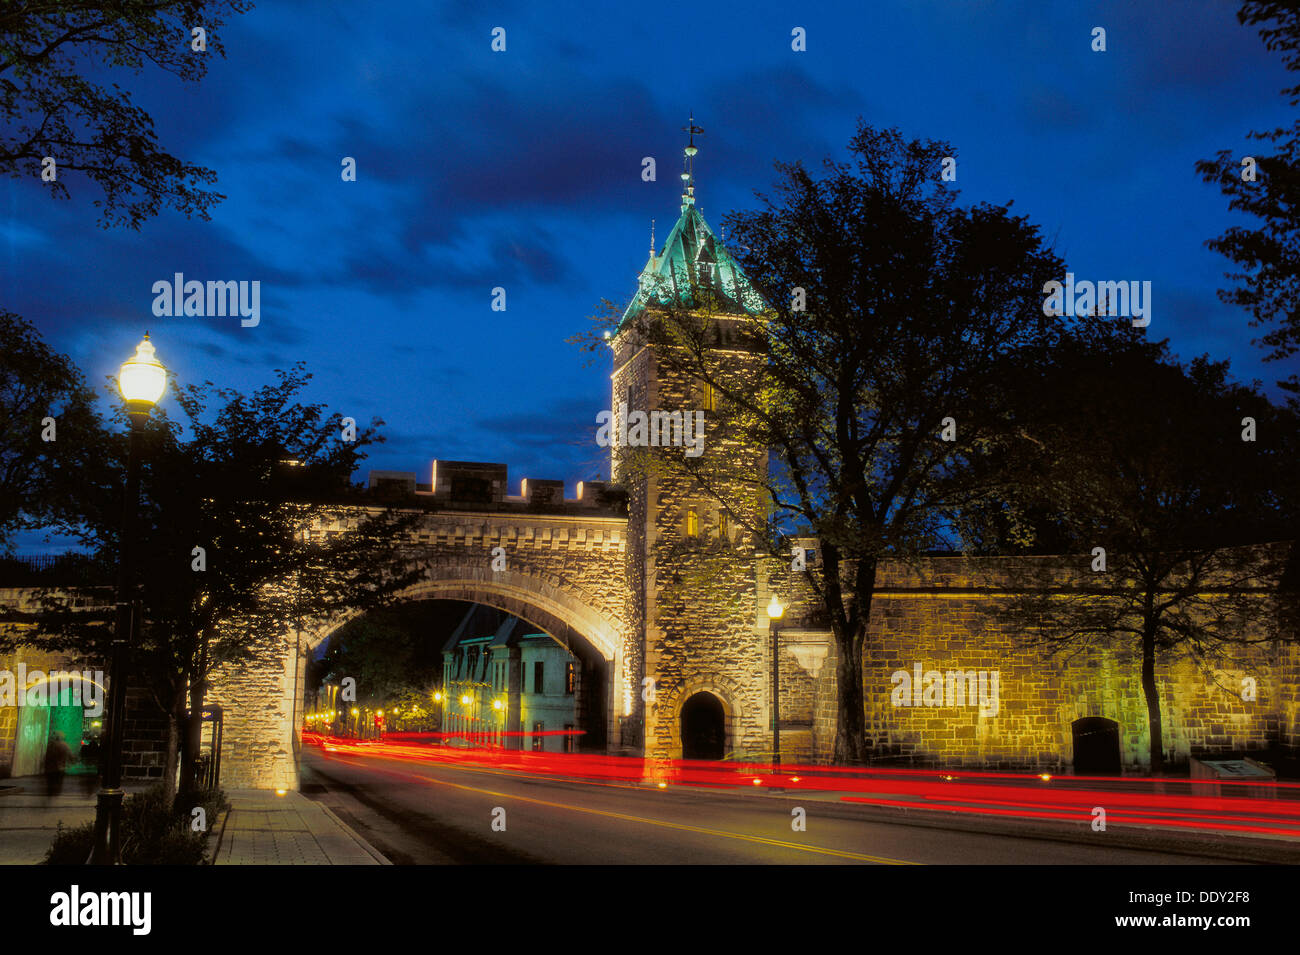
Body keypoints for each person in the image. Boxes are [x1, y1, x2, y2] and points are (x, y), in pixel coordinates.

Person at [44, 731, 72, 797]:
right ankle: (56, 792)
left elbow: (47, 756)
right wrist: (71, 762)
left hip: (50, 768)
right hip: (60, 767)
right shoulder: (65, 745)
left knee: (50, 781)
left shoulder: (51, 745)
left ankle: (50, 792)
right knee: (58, 780)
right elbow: (70, 755)